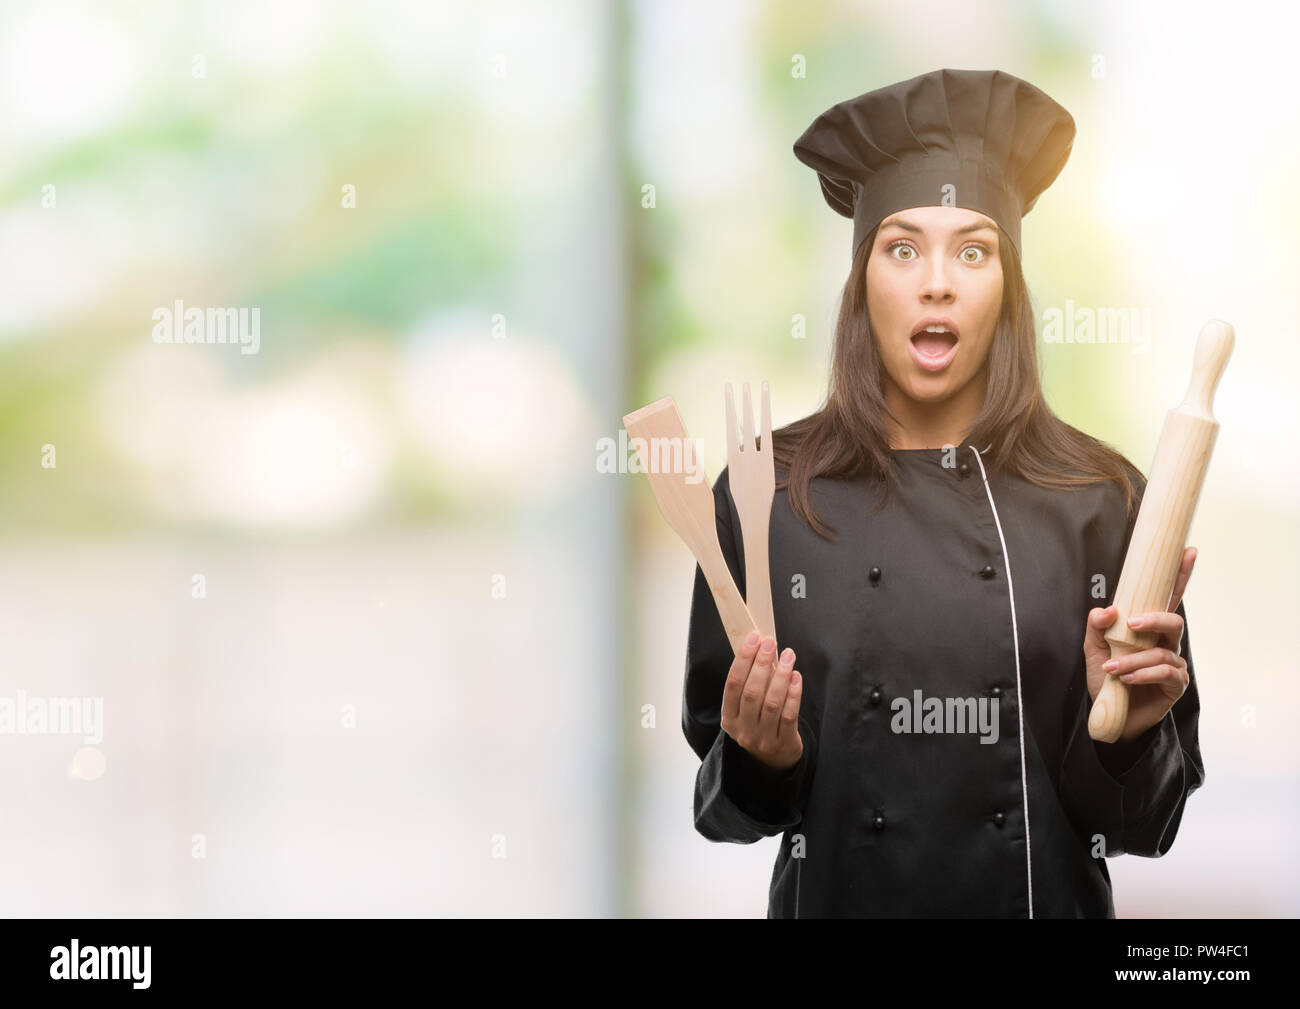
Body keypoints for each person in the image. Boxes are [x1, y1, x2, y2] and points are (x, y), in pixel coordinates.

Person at [681, 69, 1205, 918]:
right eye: (901, 247)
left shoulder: (1103, 500)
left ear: (1008, 291)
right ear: (862, 284)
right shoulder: (764, 492)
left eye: (972, 249)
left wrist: (1127, 725)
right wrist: (757, 755)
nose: (937, 282)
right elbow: (725, 813)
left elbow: (1144, 827)